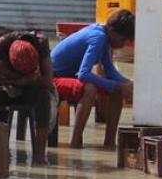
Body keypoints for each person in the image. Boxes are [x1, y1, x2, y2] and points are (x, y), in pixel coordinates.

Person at [50, 9, 134, 149]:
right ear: (113, 32)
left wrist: (126, 83)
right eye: (122, 40)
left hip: (71, 76)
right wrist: (118, 85)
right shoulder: (98, 38)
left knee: (117, 89)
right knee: (89, 88)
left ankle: (109, 142)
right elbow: (83, 74)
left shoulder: (105, 37)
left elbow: (109, 69)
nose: (123, 45)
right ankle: (75, 144)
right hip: (54, 78)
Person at [0, 31, 55, 164]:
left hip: (30, 88)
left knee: (43, 97)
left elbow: (48, 80)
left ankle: (40, 153)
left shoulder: (41, 42)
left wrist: (20, 80)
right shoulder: (3, 44)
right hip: (5, 86)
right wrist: (13, 79)